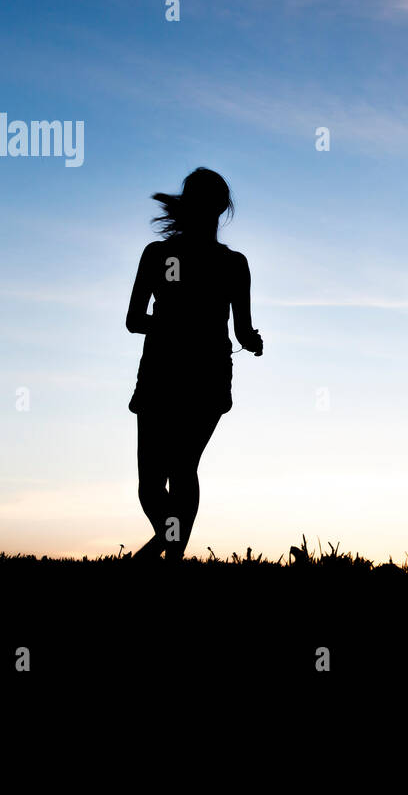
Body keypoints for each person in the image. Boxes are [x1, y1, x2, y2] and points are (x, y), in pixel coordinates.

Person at [126, 168, 263, 560]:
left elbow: (243, 331)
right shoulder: (163, 257)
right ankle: (167, 550)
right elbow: (135, 319)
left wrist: (251, 341)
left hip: (189, 373)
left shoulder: (231, 264)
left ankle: (168, 555)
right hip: (172, 373)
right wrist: (251, 342)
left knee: (170, 474)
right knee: (164, 479)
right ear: (223, 207)